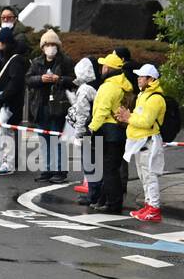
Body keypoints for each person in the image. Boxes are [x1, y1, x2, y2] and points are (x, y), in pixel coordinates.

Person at [119, 64, 168, 223]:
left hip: (148, 141)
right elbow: (140, 117)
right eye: (139, 76)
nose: (139, 79)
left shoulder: (155, 98)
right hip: (140, 142)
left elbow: (146, 121)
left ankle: (154, 208)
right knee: (143, 176)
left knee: (150, 176)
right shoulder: (144, 95)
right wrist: (129, 117)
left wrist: (128, 118)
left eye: (142, 76)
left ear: (151, 79)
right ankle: (149, 205)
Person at [26, 29, 76, 182]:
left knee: (57, 139)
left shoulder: (65, 61)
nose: (50, 47)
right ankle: (47, 169)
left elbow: (74, 80)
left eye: (53, 44)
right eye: (47, 44)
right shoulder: (36, 62)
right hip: (41, 106)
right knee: (43, 139)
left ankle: (60, 171)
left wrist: (59, 79)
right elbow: (28, 79)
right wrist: (40, 79)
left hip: (58, 106)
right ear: (42, 47)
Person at [89, 50, 135, 214]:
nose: (101, 69)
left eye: (104, 66)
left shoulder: (108, 87)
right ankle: (103, 200)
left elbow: (102, 110)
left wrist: (91, 128)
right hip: (119, 131)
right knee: (112, 168)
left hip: (108, 132)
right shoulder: (123, 85)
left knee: (109, 170)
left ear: (109, 68)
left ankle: (114, 204)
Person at [0, 27, 29, 174]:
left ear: (5, 42)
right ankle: (2, 162)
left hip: (10, 104)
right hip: (7, 102)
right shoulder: (7, 57)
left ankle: (7, 164)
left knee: (7, 134)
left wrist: (1, 96)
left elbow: (15, 83)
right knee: (4, 133)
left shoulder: (15, 60)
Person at [64, 57, 99, 199]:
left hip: (87, 131)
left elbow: (82, 113)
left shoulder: (84, 89)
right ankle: (95, 193)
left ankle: (92, 194)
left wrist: (78, 133)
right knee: (95, 163)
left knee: (89, 163)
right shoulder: (96, 86)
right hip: (96, 129)